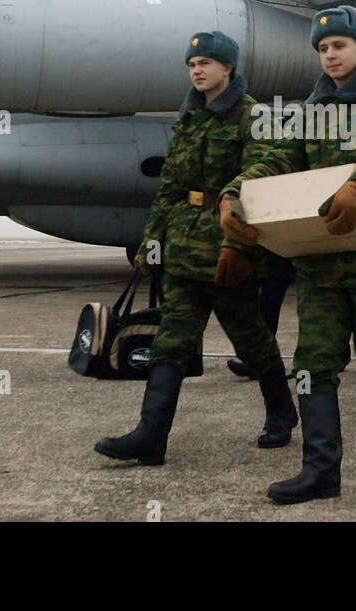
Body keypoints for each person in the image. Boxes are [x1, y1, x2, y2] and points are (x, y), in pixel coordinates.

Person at [220, 4, 356, 504]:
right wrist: (235, 193)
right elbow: (278, 159)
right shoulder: (312, 113)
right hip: (322, 261)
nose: (330, 56)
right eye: (322, 49)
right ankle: (321, 470)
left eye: (339, 46)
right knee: (313, 362)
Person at [94, 31, 297, 465]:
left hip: (228, 254)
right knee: (171, 343)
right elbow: (171, 187)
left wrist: (238, 247)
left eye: (206, 62)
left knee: (252, 342)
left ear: (228, 68)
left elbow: (261, 183)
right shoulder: (189, 115)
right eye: (192, 64)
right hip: (185, 250)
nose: (197, 70)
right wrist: (152, 241)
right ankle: (151, 436)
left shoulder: (253, 116)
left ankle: (281, 411)